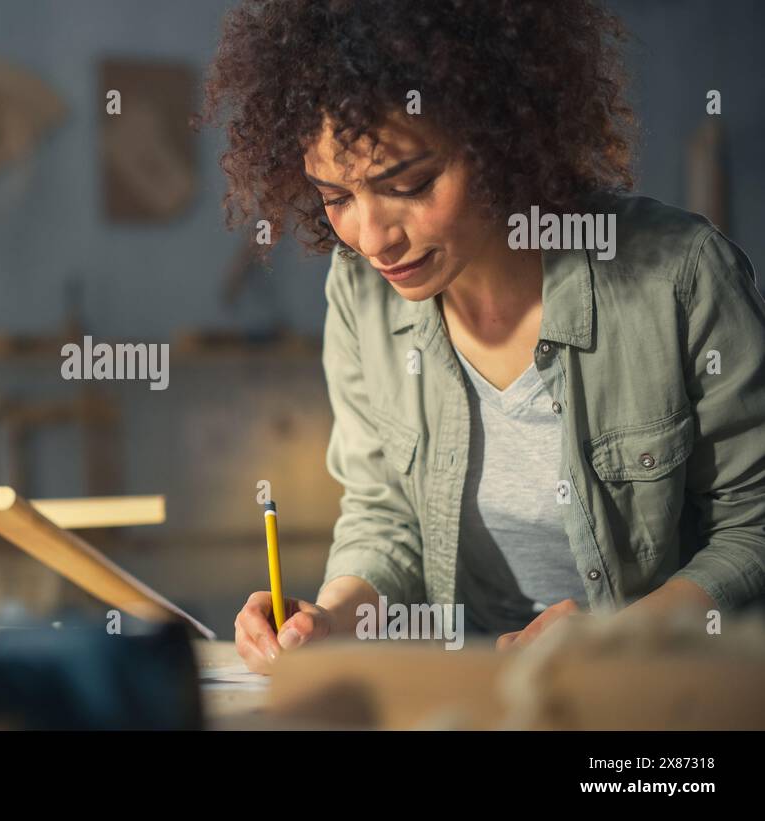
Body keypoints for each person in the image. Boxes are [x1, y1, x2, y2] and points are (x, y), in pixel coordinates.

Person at [200, 0, 765, 673]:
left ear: (505, 141)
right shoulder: (359, 294)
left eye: (409, 184)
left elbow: (752, 528)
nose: (373, 238)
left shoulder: (682, 277)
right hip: (466, 692)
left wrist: (614, 641)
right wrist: (331, 617)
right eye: (336, 197)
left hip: (654, 695)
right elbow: (385, 518)